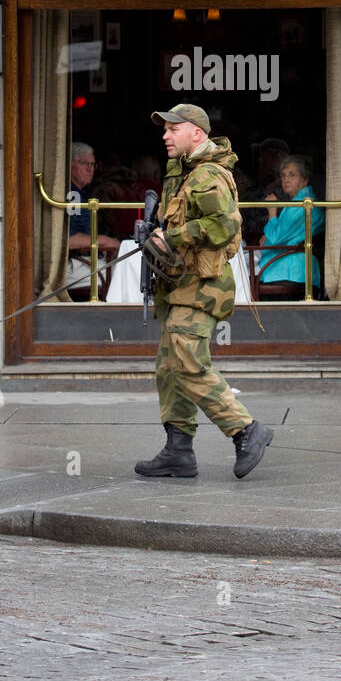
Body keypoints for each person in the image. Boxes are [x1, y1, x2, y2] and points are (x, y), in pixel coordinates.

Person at [134, 102, 273, 480]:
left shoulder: (207, 174)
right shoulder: (181, 173)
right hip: (179, 285)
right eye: (163, 129)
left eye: (172, 129)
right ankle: (178, 450)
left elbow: (224, 226)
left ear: (196, 133)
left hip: (201, 286)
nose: (165, 135)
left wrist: (172, 236)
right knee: (169, 367)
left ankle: (246, 430)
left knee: (189, 362)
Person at [257, 155, 324, 298]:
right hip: (292, 268)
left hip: (287, 270)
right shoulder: (300, 202)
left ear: (305, 179)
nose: (286, 179)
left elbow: (274, 239)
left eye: (292, 175)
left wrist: (272, 211)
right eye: (283, 176)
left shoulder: (302, 204)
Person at [66, 142, 120, 297]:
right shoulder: (71, 195)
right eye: (84, 164)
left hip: (87, 262)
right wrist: (105, 241)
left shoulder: (82, 193)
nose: (90, 169)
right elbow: (70, 241)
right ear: (70, 165)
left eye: (92, 164)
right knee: (123, 273)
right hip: (73, 266)